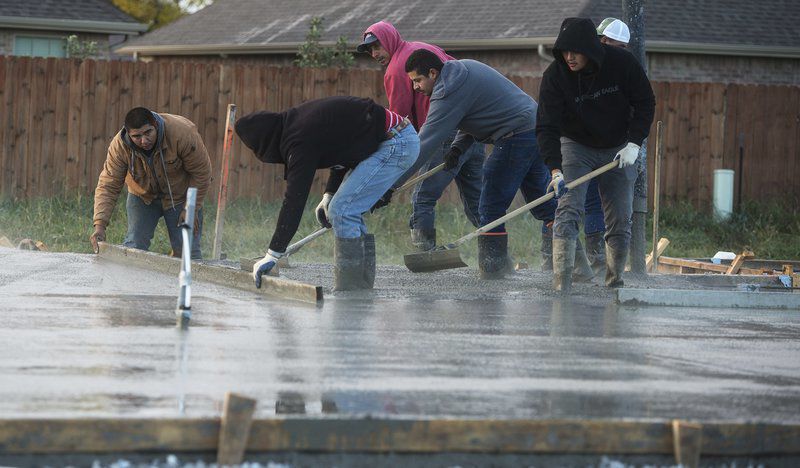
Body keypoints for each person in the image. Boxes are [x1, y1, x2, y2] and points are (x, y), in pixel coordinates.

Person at [384, 49, 583, 280]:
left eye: (417, 80)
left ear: (432, 73)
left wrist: (390, 186)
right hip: (534, 128)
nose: (416, 87)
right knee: (544, 205)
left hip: (515, 134)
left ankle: (494, 272)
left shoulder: (446, 90)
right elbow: (479, 110)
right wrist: (458, 148)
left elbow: (424, 145)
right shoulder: (462, 70)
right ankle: (577, 265)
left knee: (490, 206)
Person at [234, 96, 419, 291]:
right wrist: (328, 195)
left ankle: (352, 292)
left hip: (397, 142)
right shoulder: (296, 123)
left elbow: (294, 201)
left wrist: (273, 254)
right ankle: (360, 287)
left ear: (265, 144)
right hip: (392, 137)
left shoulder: (298, 142)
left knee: (343, 211)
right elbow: (341, 149)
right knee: (343, 209)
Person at [536, 17, 655, 293]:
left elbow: (645, 101)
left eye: (575, 51)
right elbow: (546, 126)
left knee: (620, 217)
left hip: (618, 148)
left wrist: (634, 143)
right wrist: (555, 169)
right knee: (568, 208)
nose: (569, 57)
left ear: (590, 48)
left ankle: (614, 283)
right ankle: (561, 284)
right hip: (576, 145)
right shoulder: (555, 76)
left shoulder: (622, 64)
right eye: (564, 51)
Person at [358, 21, 483, 251]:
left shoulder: (397, 69)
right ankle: (496, 261)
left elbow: (398, 122)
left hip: (442, 134)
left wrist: (387, 176)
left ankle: (425, 257)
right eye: (370, 50)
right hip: (470, 131)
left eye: (377, 47)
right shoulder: (423, 49)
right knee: (478, 204)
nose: (374, 54)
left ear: (389, 40)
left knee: (423, 199)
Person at [90, 107, 212, 259]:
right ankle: (134, 283)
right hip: (142, 197)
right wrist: (99, 225)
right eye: (137, 136)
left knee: (188, 253)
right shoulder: (119, 147)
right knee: (134, 246)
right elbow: (108, 184)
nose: (144, 140)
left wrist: (191, 208)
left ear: (155, 124)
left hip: (180, 196)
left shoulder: (182, 133)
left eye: (148, 133)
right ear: (129, 133)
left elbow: (201, 173)